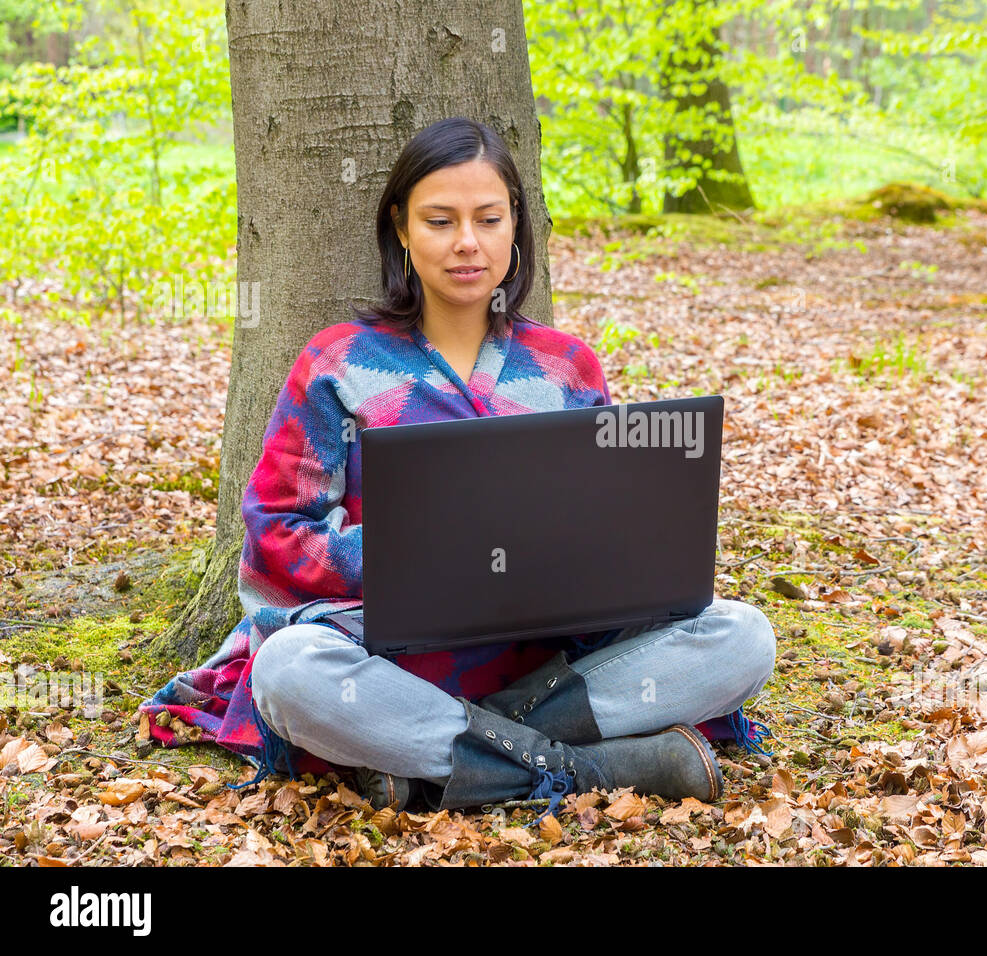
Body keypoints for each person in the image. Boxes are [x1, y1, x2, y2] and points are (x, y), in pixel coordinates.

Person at [139, 117, 776, 825]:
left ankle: (450, 763)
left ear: (516, 229)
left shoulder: (566, 366)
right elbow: (277, 536)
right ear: (401, 230)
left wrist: (612, 568)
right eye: (439, 220)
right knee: (288, 672)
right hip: (386, 661)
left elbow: (605, 521)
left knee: (744, 635)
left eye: (488, 218)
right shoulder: (338, 361)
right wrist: (415, 557)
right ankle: (590, 767)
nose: (466, 242)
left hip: (550, 666)